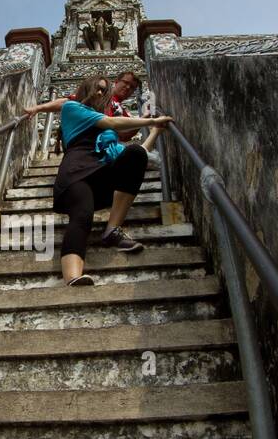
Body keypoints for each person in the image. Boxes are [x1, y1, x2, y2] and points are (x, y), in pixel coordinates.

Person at [24, 77, 171, 285]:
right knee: (82, 215)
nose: (102, 93)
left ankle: (112, 229)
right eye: (99, 89)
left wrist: (155, 131)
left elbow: (139, 155)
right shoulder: (72, 107)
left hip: (101, 172)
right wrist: (151, 121)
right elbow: (111, 121)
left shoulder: (108, 138)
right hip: (76, 173)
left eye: (105, 90)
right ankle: (73, 277)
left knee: (135, 154)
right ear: (85, 89)